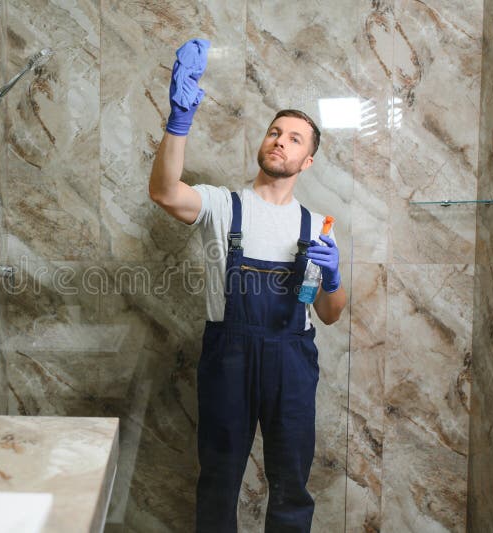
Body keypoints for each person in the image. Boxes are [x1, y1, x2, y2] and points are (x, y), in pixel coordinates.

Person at [148, 40, 347, 533]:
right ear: (263, 143)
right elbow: (164, 191)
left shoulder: (317, 226)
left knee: (290, 486)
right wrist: (179, 122)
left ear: (307, 162)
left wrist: (336, 277)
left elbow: (330, 313)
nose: (281, 140)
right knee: (218, 482)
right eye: (275, 132)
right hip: (229, 358)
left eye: (295, 139)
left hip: (292, 361)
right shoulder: (222, 206)